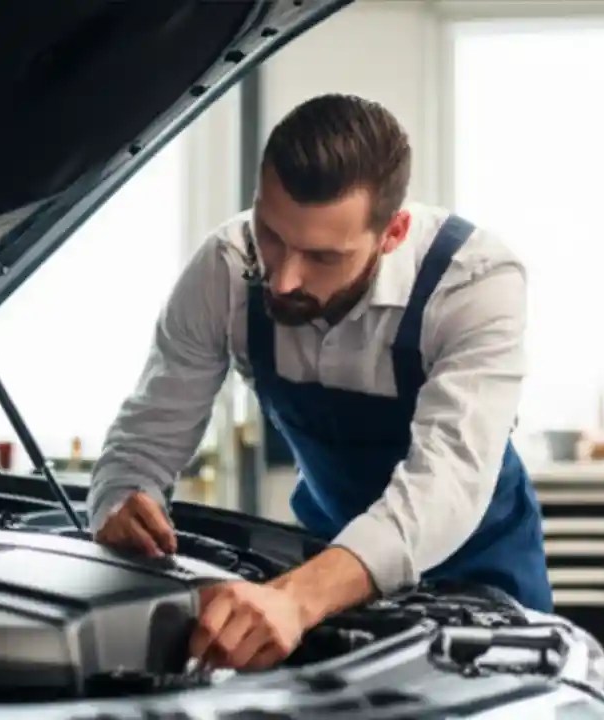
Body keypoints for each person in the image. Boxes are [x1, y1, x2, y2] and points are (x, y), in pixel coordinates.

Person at [88, 93, 550, 672]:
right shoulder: (226, 268)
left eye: (323, 257)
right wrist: (121, 498)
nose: (283, 279)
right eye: (272, 235)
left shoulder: (474, 283)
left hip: (482, 570)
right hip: (324, 560)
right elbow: (147, 437)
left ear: (394, 232)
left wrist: (296, 598)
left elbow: (447, 482)